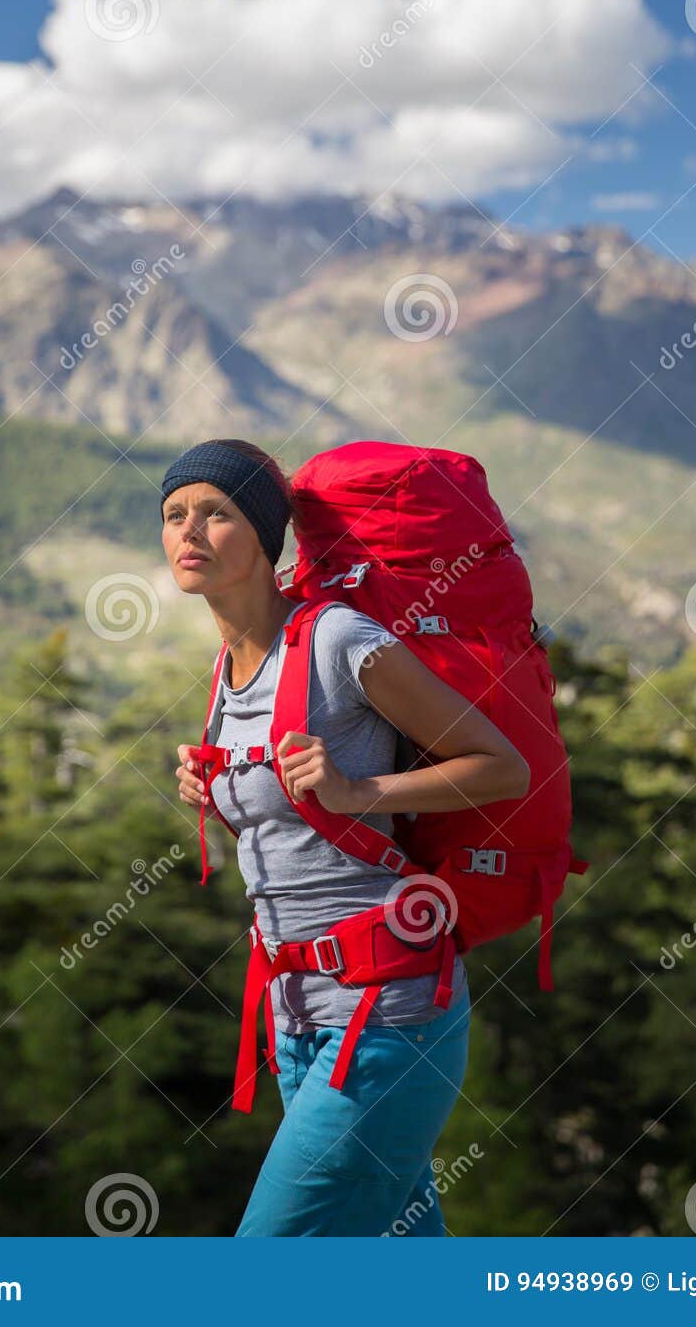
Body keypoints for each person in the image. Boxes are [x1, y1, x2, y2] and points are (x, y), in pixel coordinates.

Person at [162, 437, 529, 1236]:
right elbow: (296, 825)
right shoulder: (229, 666)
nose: (188, 530)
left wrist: (357, 791)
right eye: (173, 514)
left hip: (385, 1011)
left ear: (264, 535)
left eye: (215, 513)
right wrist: (216, 790)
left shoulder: (334, 640)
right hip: (296, 1021)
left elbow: (502, 768)